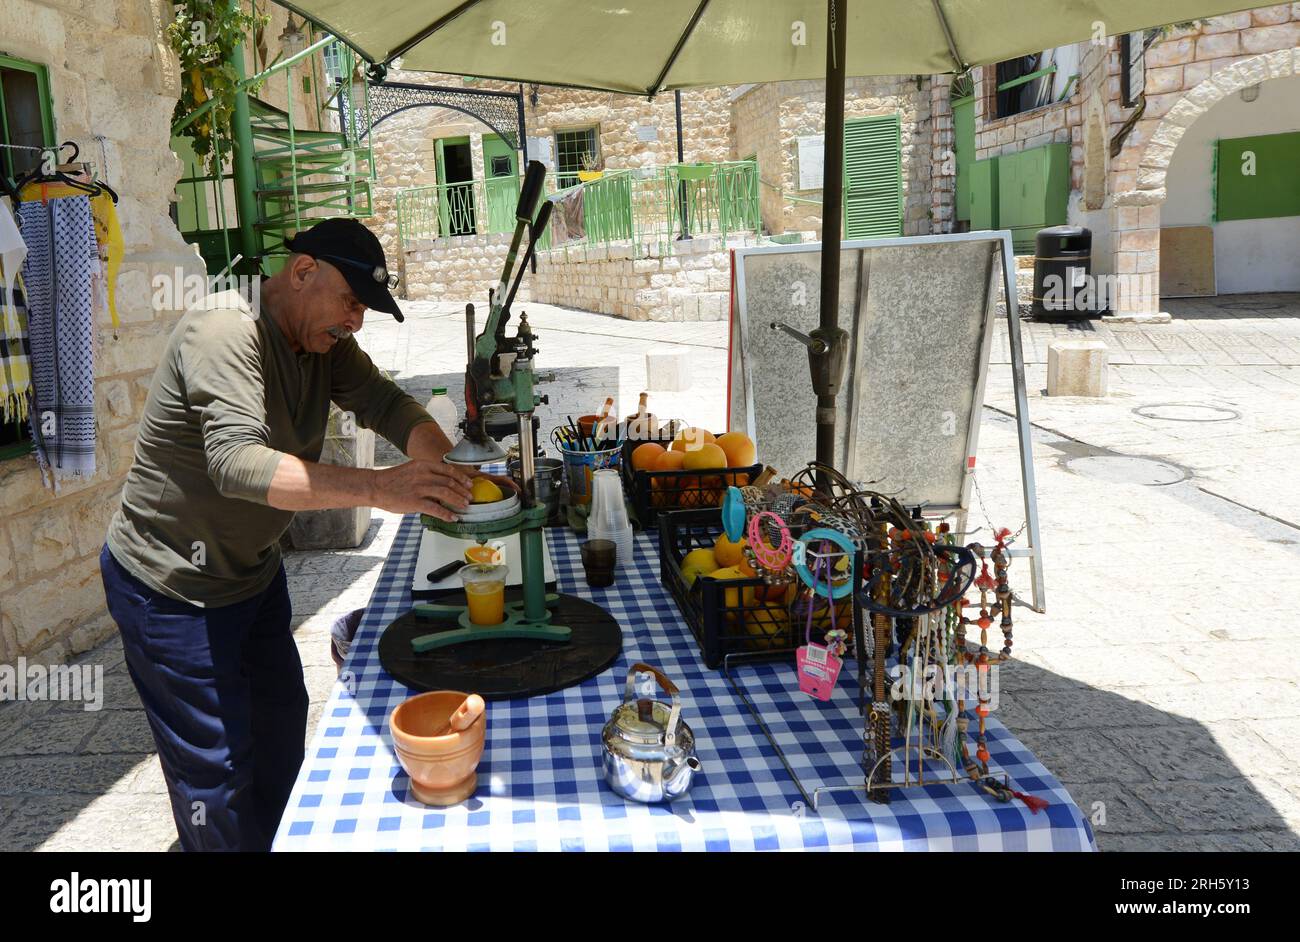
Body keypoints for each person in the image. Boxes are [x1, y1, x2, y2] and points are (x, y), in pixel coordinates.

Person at [100, 218, 475, 851]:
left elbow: (386, 404)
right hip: (171, 589)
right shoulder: (226, 330)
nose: (356, 321)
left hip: (251, 573)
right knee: (214, 775)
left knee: (279, 731)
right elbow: (237, 463)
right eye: (351, 302)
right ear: (303, 273)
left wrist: (446, 469)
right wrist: (382, 488)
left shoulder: (321, 343)